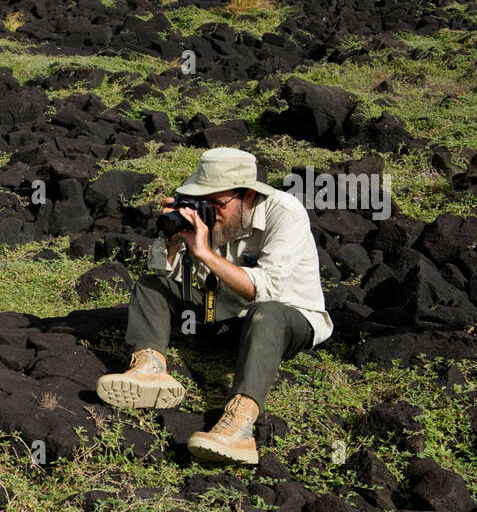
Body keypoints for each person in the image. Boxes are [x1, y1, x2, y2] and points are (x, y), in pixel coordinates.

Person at [95, 147, 333, 465]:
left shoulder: (284, 213)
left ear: (247, 196)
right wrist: (174, 238)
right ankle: (149, 368)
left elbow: (264, 290)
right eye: (203, 202)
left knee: (267, 313)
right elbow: (164, 272)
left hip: (286, 320)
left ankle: (240, 426)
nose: (210, 211)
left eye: (217, 203)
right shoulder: (210, 214)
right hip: (218, 310)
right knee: (153, 287)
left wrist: (206, 253)